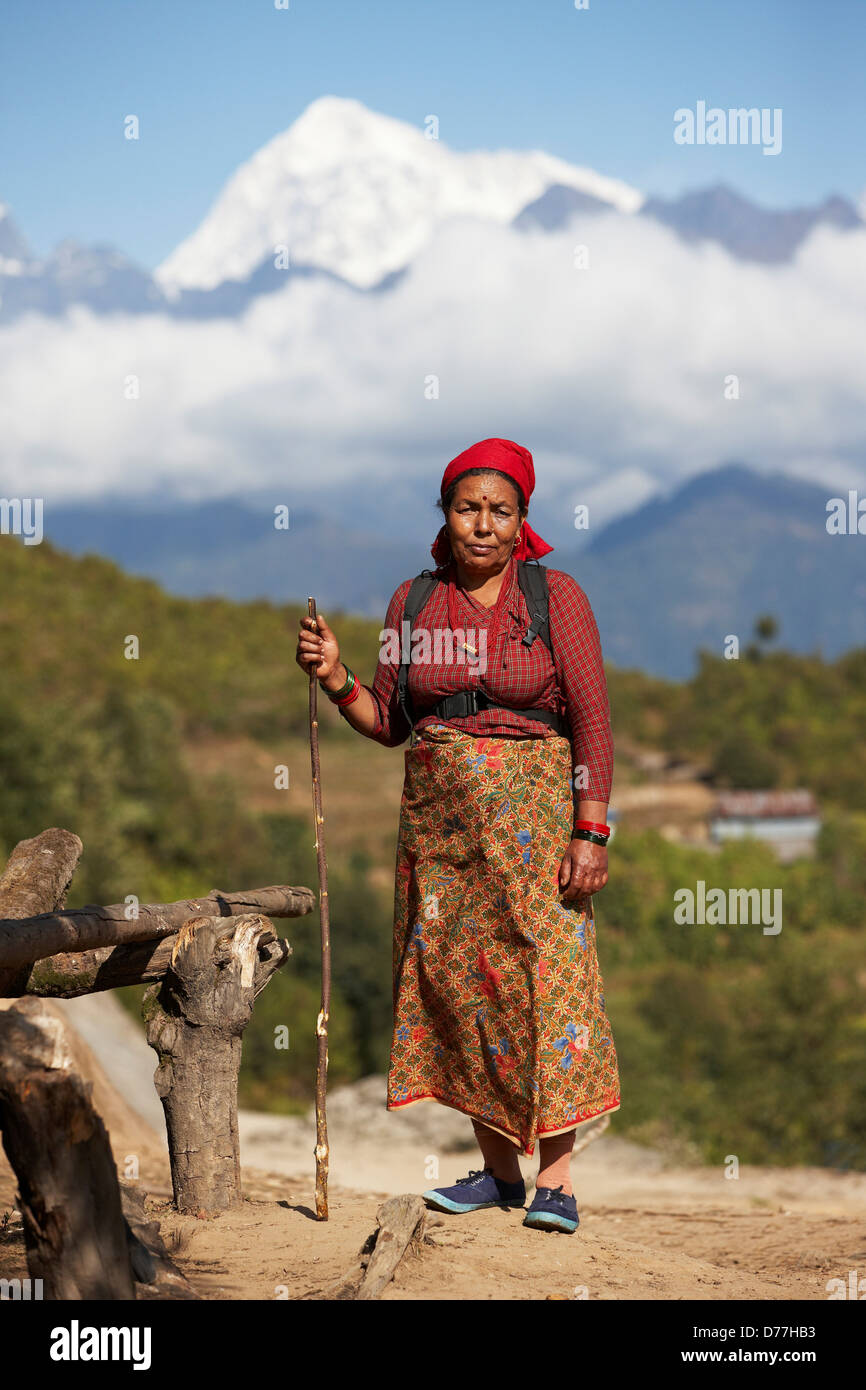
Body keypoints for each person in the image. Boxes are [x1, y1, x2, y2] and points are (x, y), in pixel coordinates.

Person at [296, 437, 620, 1234]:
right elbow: (390, 722)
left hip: (538, 822)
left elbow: (594, 722)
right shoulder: (412, 603)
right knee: (456, 982)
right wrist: (336, 676)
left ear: (522, 523)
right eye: (467, 507)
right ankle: (500, 1175)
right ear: (445, 516)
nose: (482, 524)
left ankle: (558, 1180)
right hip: (441, 831)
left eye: (499, 511)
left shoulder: (555, 599)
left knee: (551, 976)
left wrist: (592, 830)